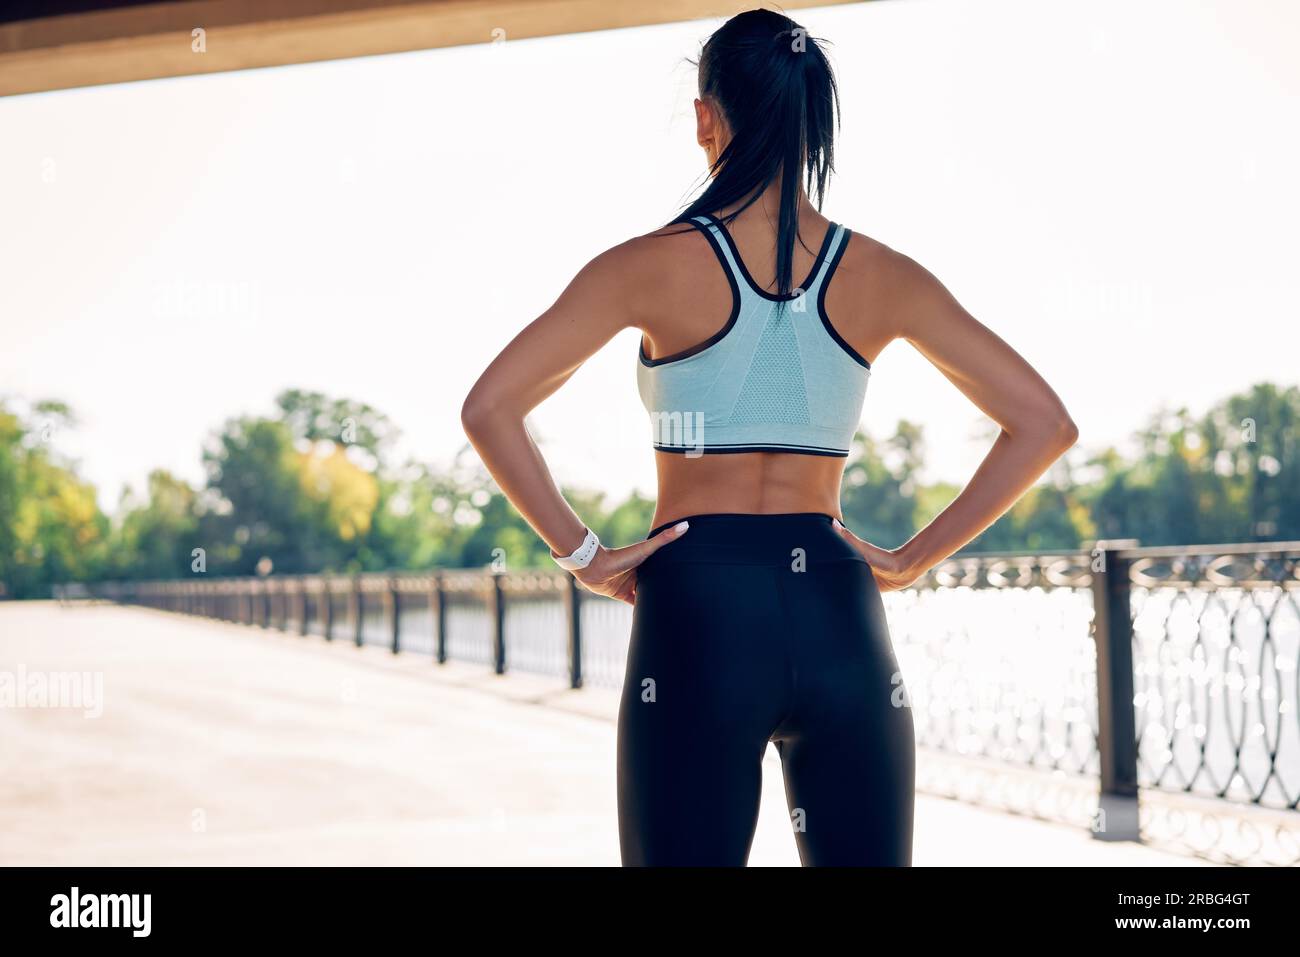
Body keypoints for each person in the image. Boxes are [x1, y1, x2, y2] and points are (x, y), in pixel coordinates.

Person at [461, 8, 1077, 866]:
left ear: (707, 119)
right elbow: (1045, 424)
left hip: (697, 610)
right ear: (809, 121)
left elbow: (489, 407)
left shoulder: (642, 267)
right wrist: (908, 559)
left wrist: (586, 555)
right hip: (839, 607)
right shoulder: (887, 276)